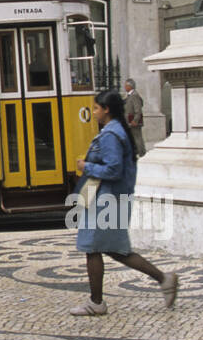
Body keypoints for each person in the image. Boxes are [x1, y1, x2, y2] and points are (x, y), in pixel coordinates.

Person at [70, 89, 179, 316]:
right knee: (115, 250)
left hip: (107, 199)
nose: (94, 112)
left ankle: (97, 302)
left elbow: (113, 169)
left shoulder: (111, 134)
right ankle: (163, 279)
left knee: (94, 248)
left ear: (106, 110)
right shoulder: (117, 130)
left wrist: (85, 167)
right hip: (111, 198)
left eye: (97, 108)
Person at [122, 78, 147, 158]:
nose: (124, 87)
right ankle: (135, 152)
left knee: (137, 138)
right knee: (132, 138)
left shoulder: (134, 95)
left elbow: (138, 109)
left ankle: (142, 153)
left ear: (130, 86)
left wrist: (135, 120)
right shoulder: (129, 96)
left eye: (126, 85)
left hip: (133, 121)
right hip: (129, 121)